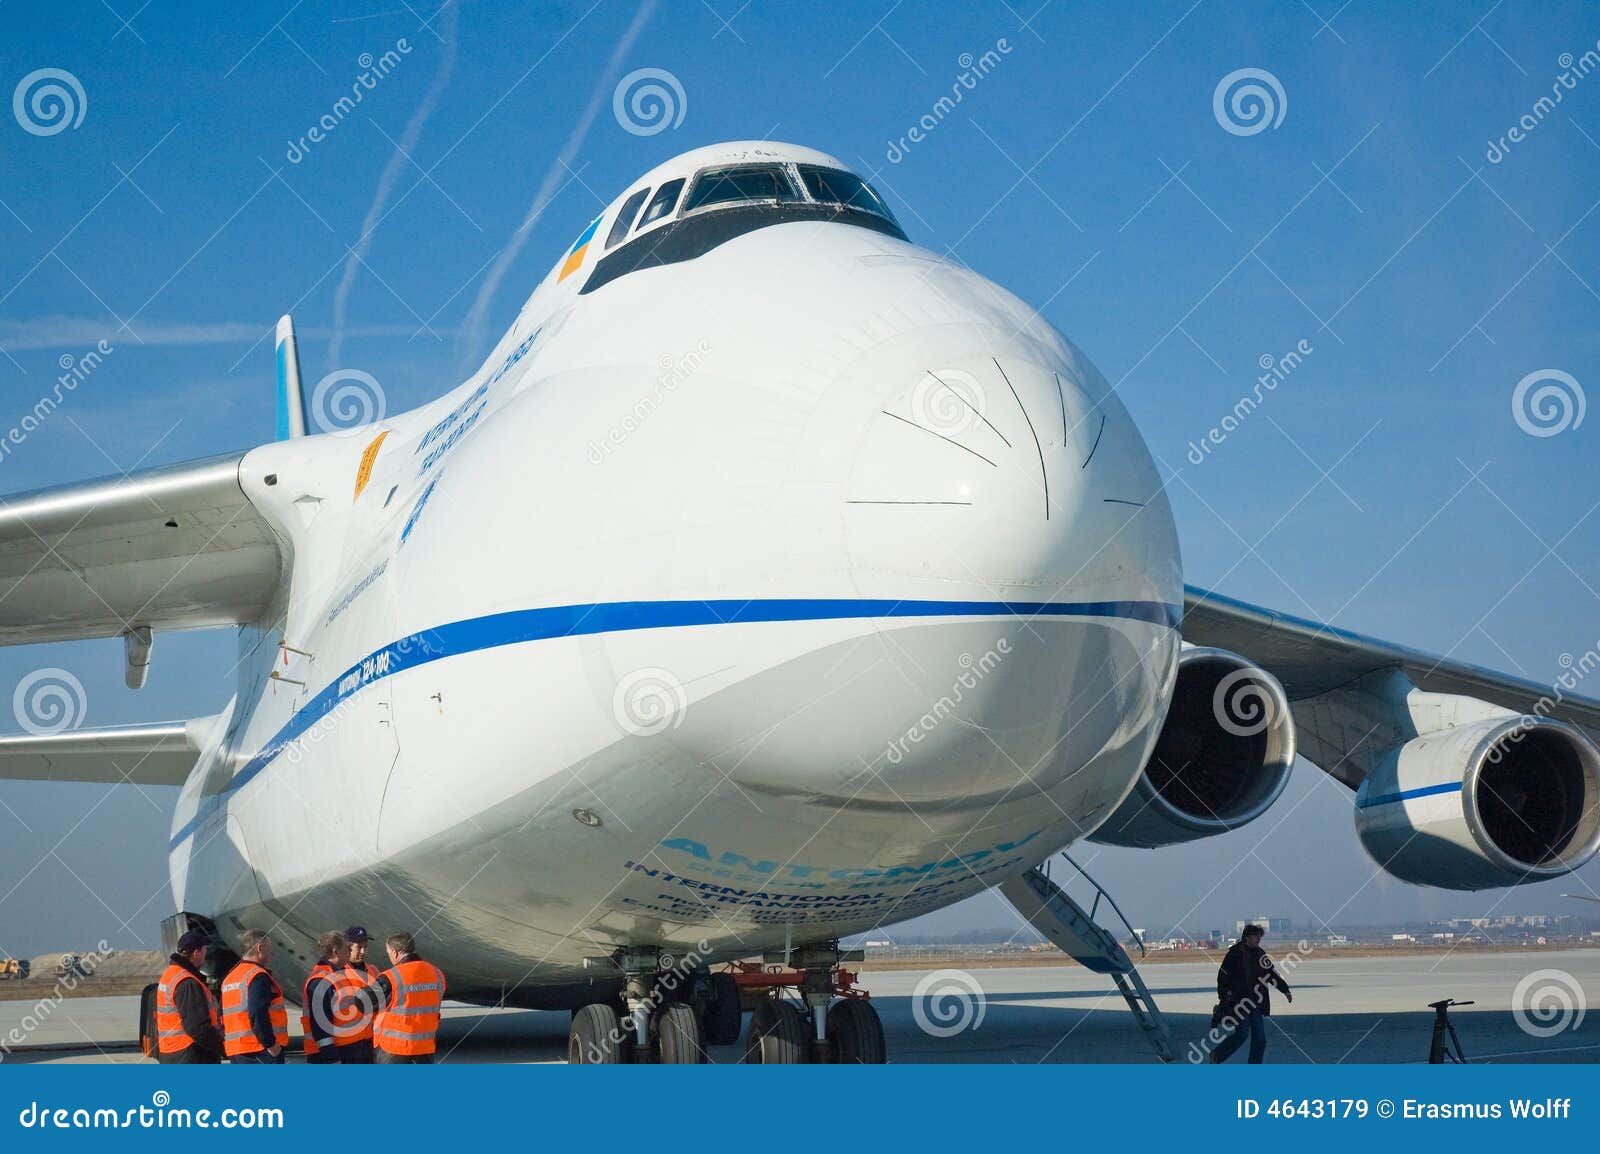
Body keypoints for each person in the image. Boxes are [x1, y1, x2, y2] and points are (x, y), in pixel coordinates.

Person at [344, 931, 445, 1064]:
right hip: (425, 1048)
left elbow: (362, 1001)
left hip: (394, 1050)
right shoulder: (437, 974)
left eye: (388, 953)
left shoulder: (392, 977)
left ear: (395, 952)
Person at [1212, 924, 1292, 1064]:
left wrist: (1284, 989)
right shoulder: (1234, 954)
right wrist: (1224, 997)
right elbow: (1222, 977)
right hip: (1239, 1003)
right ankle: (1217, 1055)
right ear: (1247, 937)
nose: (1258, 939)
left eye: (1259, 937)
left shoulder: (1260, 953)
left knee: (1260, 1039)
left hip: (1256, 1003)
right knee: (1242, 1034)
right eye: (1256, 936)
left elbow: (1271, 974)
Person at [153, 929, 224, 1064]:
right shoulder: (188, 983)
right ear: (196, 953)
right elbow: (197, 1028)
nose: (206, 954)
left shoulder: (170, 974)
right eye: (204, 950)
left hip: (171, 1053)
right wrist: (222, 1047)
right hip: (191, 1055)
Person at [221, 930, 289, 1063]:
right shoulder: (257, 976)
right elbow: (257, 1012)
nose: (272, 953)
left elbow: (221, 1017)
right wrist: (270, 1044)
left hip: (236, 1051)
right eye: (269, 949)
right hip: (259, 1050)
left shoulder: (230, 978)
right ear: (260, 948)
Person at [302, 931, 359, 1064]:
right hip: (327, 1055)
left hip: (344, 1050)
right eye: (347, 949)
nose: (350, 952)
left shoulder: (337, 975)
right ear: (336, 951)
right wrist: (332, 1059)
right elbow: (320, 1025)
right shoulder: (321, 980)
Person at [338, 926, 378, 1064]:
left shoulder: (373, 971)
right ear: (347, 947)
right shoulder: (338, 973)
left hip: (370, 1041)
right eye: (359, 947)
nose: (363, 952)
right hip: (347, 1046)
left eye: (365, 947)